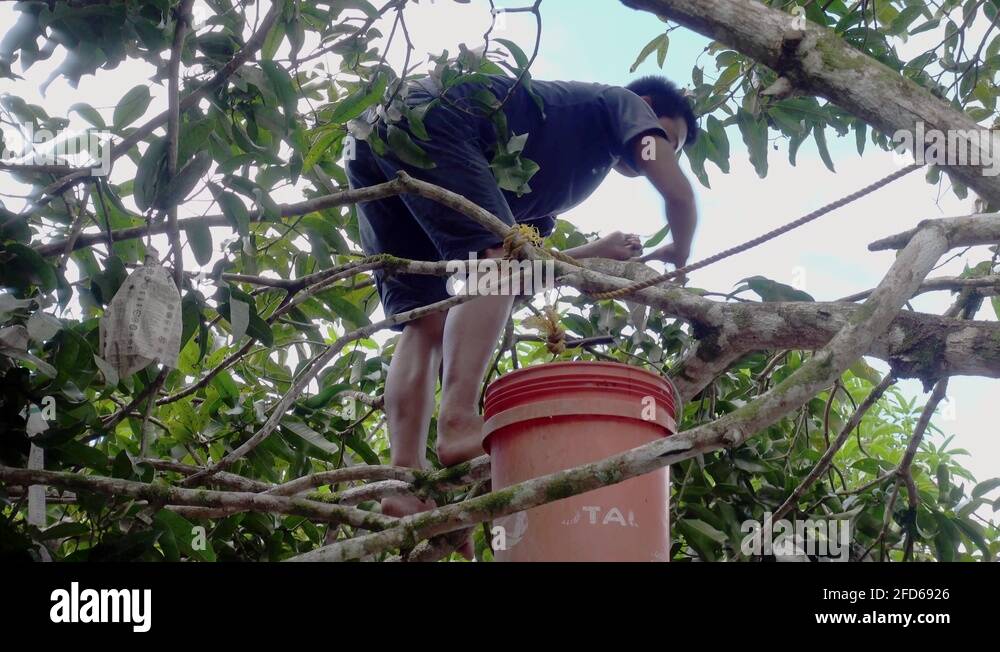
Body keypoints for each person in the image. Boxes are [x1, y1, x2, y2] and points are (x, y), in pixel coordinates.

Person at [345, 74, 699, 529]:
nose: (664, 148)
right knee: (493, 265)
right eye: (670, 137)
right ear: (648, 107)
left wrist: (596, 251)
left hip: (372, 135)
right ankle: (457, 421)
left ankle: (403, 481)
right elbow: (678, 192)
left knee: (426, 320)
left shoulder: (546, 176)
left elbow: (525, 266)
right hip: (431, 114)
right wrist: (682, 247)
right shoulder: (622, 102)